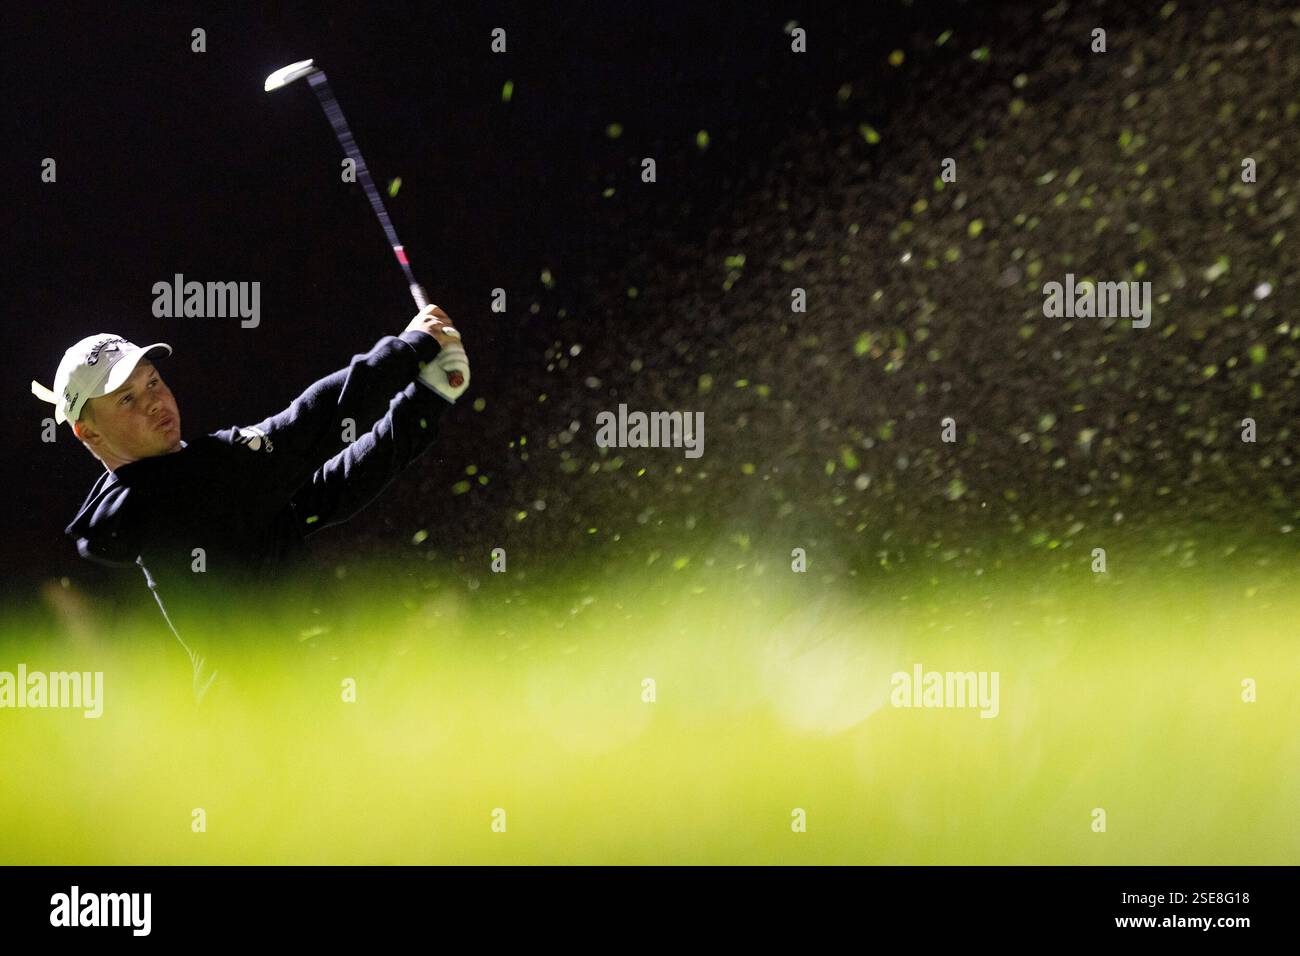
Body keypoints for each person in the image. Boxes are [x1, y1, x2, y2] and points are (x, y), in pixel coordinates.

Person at [32, 306, 469, 699]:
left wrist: (426, 401)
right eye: (127, 398)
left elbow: (329, 493)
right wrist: (410, 347)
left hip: (298, 699)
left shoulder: (195, 483)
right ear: (87, 432)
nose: (153, 402)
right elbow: (308, 426)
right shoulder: (174, 491)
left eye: (153, 382)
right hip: (260, 713)